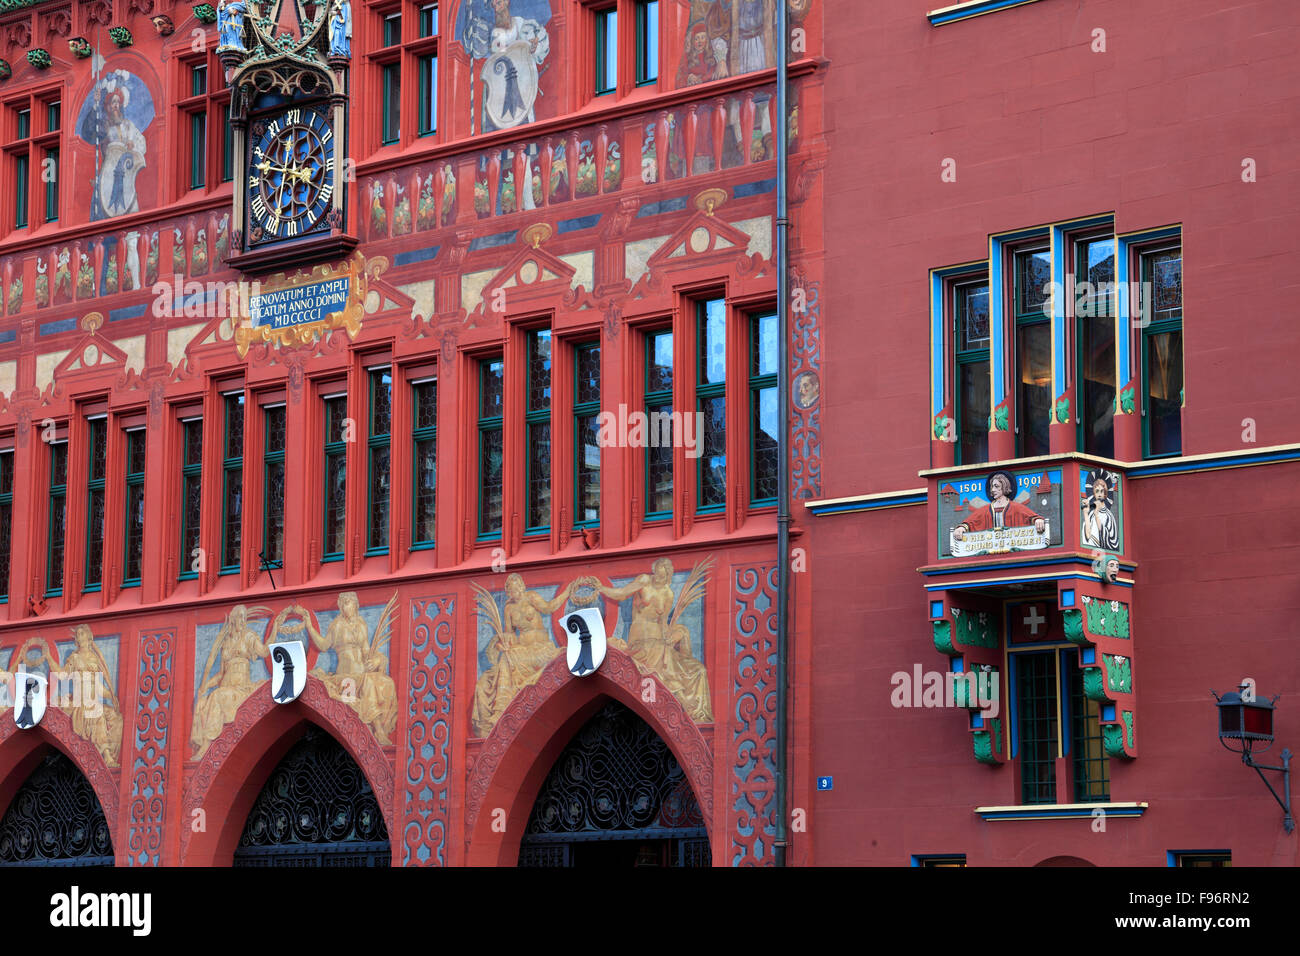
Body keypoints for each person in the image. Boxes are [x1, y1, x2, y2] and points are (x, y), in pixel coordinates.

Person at [588, 559, 713, 723]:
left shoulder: (668, 594)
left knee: (698, 670)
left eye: (664, 577)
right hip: (640, 641)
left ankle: (690, 707)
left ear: (668, 576)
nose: (660, 579)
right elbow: (622, 594)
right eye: (658, 575)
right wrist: (601, 588)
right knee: (661, 656)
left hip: (658, 641)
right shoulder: (644, 581)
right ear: (654, 571)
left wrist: (677, 634)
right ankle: (680, 695)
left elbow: (663, 624)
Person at [472, 574, 576, 737]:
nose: (514, 592)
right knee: (506, 657)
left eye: (516, 588)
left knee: (508, 659)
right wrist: (504, 644)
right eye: (511, 590)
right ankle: (500, 708)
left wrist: (566, 592)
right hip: (522, 651)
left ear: (522, 586)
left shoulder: (531, 597)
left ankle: (500, 709)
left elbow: (549, 608)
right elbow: (510, 634)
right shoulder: (508, 608)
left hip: (540, 650)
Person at [299, 592, 397, 745]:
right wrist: (310, 626)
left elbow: (366, 650)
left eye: (349, 603)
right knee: (367, 685)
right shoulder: (337, 625)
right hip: (345, 676)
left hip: (361, 673)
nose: (346, 607)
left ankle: (379, 729)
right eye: (343, 604)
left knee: (385, 682)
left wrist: (376, 660)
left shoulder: (361, 625)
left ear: (356, 605)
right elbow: (324, 645)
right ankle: (378, 730)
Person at [192, 605, 270, 759]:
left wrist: (273, 631)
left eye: (244, 617)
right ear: (233, 619)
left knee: (216, 696)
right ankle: (205, 744)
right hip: (226, 688)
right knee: (206, 699)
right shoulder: (226, 643)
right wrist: (204, 686)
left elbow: (264, 652)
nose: (243, 620)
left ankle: (206, 745)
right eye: (240, 617)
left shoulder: (249, 637)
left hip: (241, 689)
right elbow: (220, 674)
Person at [63, 625, 124, 767]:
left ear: (89, 637)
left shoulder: (95, 659)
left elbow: (98, 687)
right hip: (81, 702)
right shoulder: (74, 657)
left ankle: (112, 754)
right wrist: (48, 657)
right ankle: (107, 756)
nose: (80, 636)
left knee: (115, 716)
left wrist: (111, 696)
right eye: (77, 634)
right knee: (98, 716)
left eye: (82, 634)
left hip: (93, 700)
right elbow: (62, 675)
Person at [953, 470, 1046, 541]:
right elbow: (971, 522)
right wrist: (961, 528)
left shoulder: (1016, 507)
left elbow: (1030, 516)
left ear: (1005, 487)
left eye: (996, 486)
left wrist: (1037, 520)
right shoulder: (985, 510)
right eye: (992, 486)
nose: (993, 490)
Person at [1082, 470, 1120, 551]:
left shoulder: (1108, 515)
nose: (1099, 494)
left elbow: (1112, 541)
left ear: (1105, 494)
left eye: (1102, 491)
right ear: (1094, 494)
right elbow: (1088, 536)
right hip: (1091, 548)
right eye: (1097, 491)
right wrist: (1085, 513)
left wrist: (1096, 516)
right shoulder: (1091, 513)